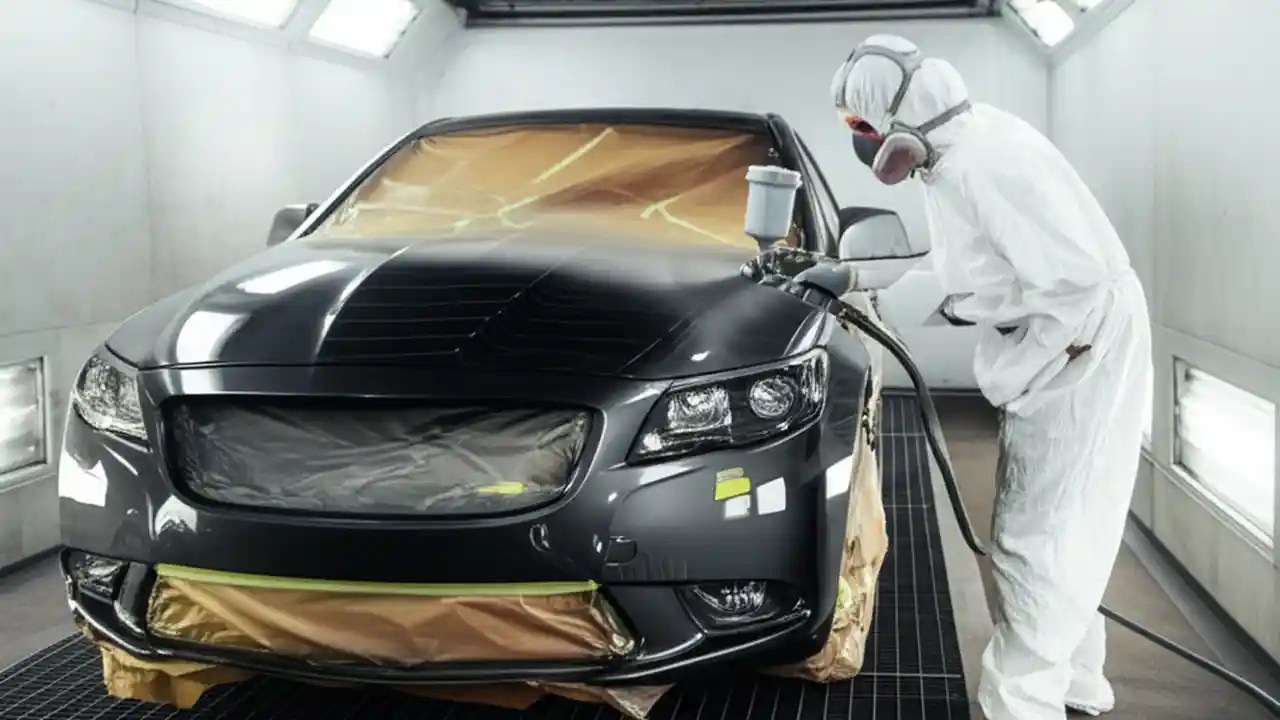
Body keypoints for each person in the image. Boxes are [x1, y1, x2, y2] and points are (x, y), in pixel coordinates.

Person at [829, 34, 1152, 720]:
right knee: (1071, 525)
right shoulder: (954, 154)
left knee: (1034, 537)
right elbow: (958, 271)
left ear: (898, 116)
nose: (860, 143)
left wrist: (953, 307)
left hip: (1078, 341)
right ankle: (1076, 683)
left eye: (862, 126)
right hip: (1067, 340)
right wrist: (854, 282)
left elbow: (1063, 279)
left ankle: (1020, 703)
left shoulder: (984, 163)